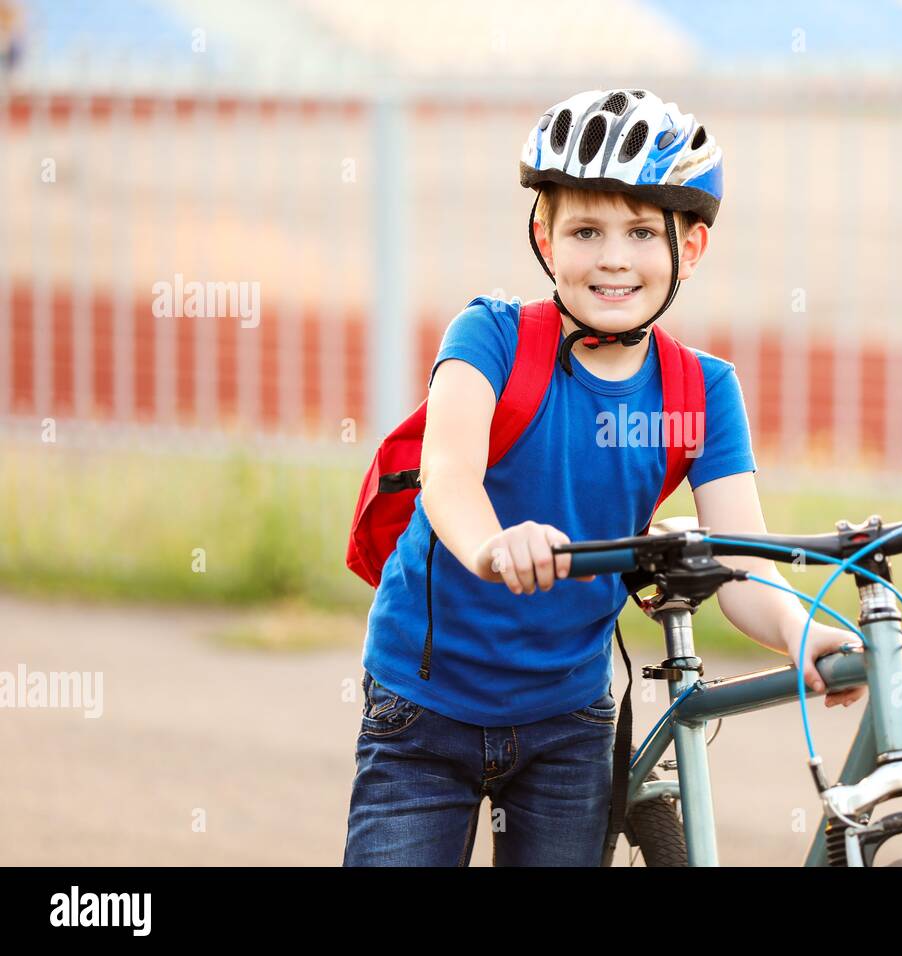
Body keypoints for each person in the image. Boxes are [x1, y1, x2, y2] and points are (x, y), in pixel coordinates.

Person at [343, 88, 864, 867]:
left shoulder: (702, 392)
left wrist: (798, 632)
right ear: (545, 239)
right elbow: (447, 480)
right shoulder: (488, 337)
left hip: (567, 725)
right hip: (423, 710)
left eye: (642, 232)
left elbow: (743, 562)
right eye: (586, 229)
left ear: (691, 248)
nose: (614, 256)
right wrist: (494, 546)